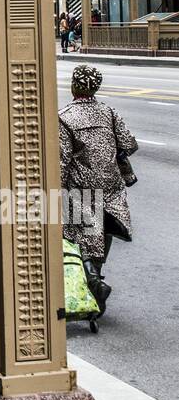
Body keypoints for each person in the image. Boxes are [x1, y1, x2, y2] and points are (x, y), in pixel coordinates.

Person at [58, 64, 138, 316]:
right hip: (112, 185)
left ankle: (93, 281)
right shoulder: (108, 111)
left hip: (83, 187)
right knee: (104, 232)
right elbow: (129, 143)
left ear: (74, 86)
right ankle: (97, 275)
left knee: (79, 236)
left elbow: (62, 159)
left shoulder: (64, 116)